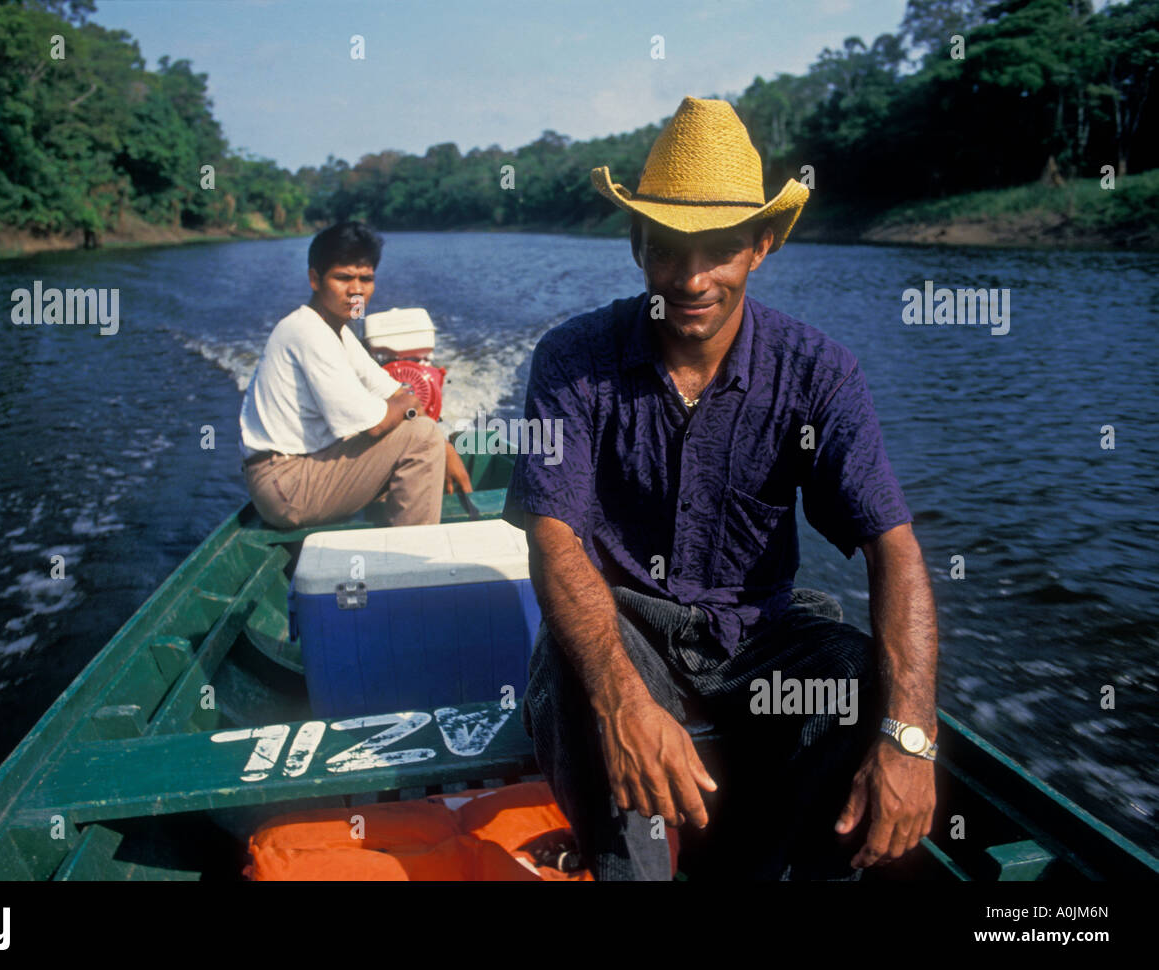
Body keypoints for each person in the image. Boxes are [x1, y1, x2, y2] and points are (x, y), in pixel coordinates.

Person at [504, 97, 939, 880]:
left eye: (720, 250)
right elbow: (555, 537)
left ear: (760, 246)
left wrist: (910, 737)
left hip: (757, 638)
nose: (693, 278)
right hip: (627, 619)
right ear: (637, 245)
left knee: (853, 676)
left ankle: (757, 865)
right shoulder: (573, 360)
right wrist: (623, 699)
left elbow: (892, 545)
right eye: (668, 249)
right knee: (582, 669)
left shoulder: (818, 373)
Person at [240, 222, 471, 529]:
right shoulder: (307, 332)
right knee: (422, 437)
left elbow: (398, 395)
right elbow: (377, 425)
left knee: (422, 431)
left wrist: (439, 438)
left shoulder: (338, 332)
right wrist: (426, 428)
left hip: (306, 467)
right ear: (314, 279)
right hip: (285, 484)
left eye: (366, 279)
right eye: (343, 278)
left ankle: (391, 532)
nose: (357, 290)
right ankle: (414, 564)